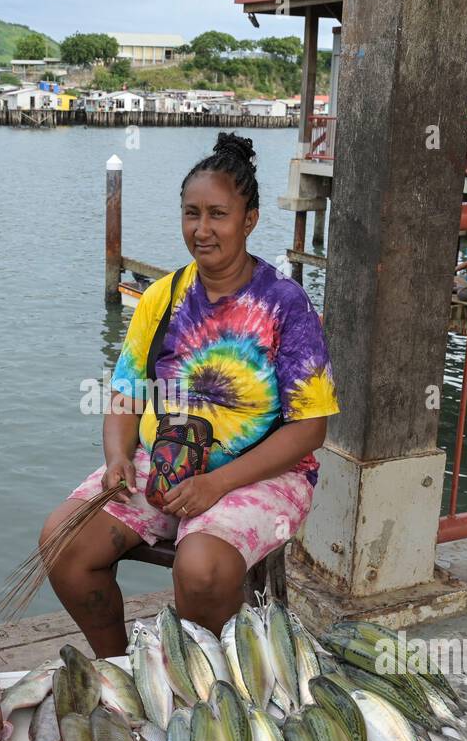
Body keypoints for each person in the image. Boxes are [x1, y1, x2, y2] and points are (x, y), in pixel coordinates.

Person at [40, 132, 340, 657]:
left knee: (199, 568)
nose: (202, 230)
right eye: (191, 213)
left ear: (248, 220)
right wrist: (117, 459)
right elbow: (127, 397)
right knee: (64, 540)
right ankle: (122, 671)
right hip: (164, 467)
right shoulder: (163, 296)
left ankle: (206, 685)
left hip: (260, 475)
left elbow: (310, 427)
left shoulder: (284, 306)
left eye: (218, 215)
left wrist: (216, 483)